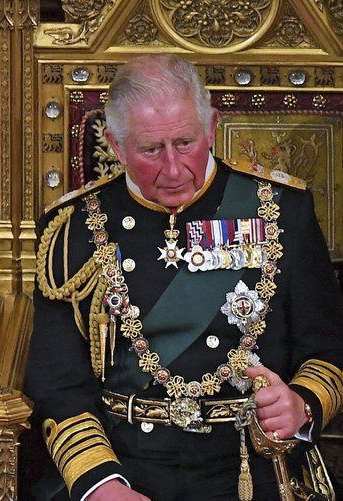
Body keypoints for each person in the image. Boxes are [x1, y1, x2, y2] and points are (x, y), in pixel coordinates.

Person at [25, 54, 343, 501]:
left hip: (251, 466)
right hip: (124, 465)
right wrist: (100, 483)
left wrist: (301, 404)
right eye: (151, 150)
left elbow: (328, 349)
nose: (173, 170)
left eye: (186, 143)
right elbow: (57, 378)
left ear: (211, 127)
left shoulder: (282, 209)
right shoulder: (74, 225)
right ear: (115, 145)